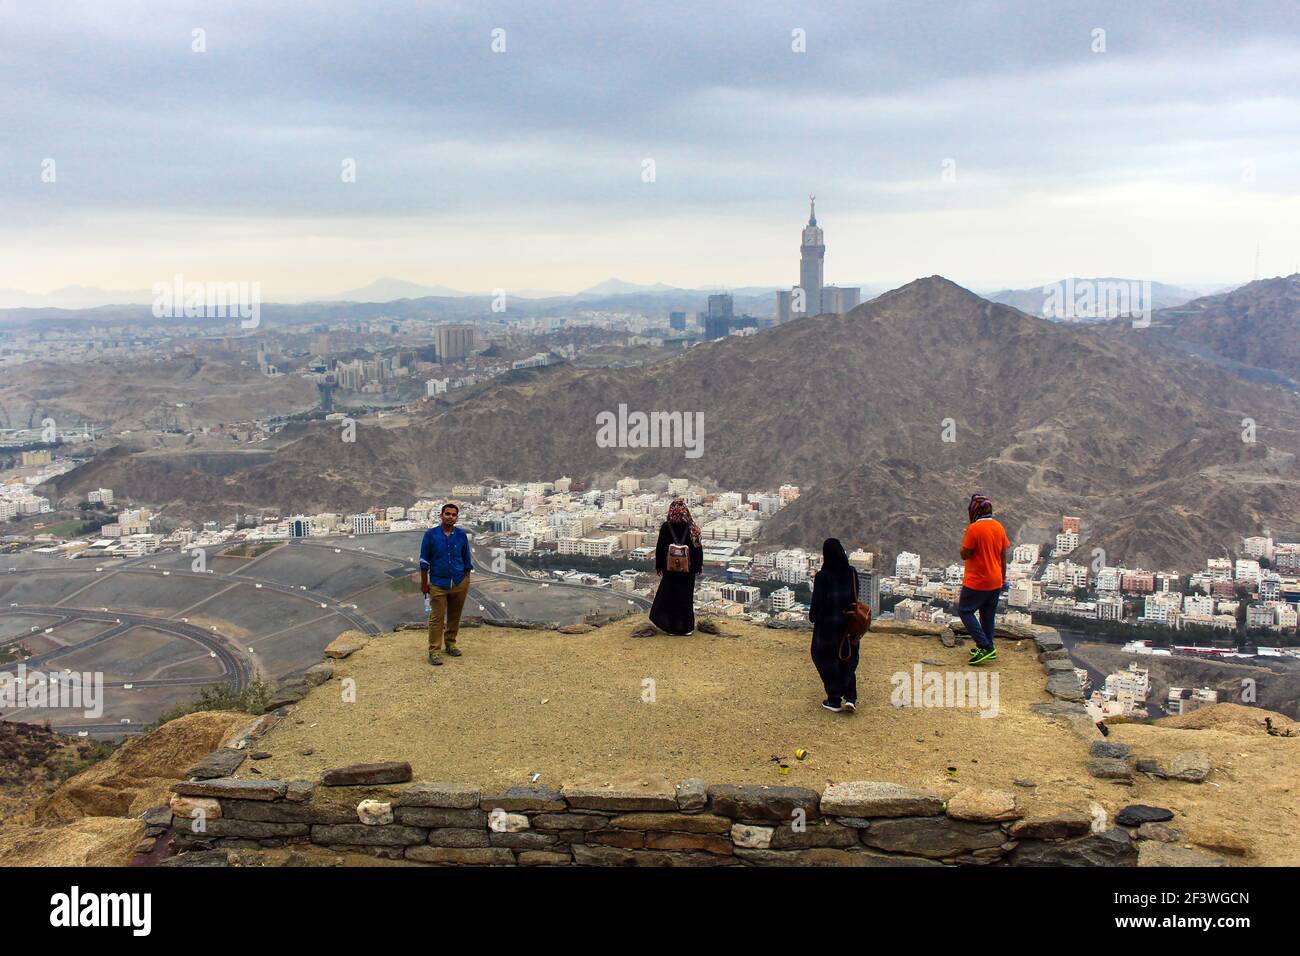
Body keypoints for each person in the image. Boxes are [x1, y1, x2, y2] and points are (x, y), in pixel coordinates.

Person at [809, 538, 861, 713]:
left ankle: (834, 699)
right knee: (846, 658)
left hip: (827, 627)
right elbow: (855, 596)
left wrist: (814, 617)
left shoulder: (823, 576)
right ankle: (851, 697)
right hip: (848, 625)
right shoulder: (852, 572)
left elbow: (817, 602)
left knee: (825, 660)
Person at [958, 493, 1011, 665]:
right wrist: (1002, 580)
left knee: (965, 611)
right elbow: (1003, 557)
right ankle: (989, 647)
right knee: (987, 615)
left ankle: (985, 646)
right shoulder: (999, 527)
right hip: (995, 580)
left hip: (977, 581)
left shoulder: (974, 529)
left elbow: (965, 554)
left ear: (973, 511)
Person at [420, 503, 473, 666]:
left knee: (455, 616)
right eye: (447, 514)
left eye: (454, 515)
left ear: (457, 518)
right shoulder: (431, 535)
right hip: (438, 583)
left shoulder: (461, 535)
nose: (450, 517)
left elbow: (467, 559)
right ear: (441, 515)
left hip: (459, 582)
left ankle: (450, 643)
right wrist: (424, 583)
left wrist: (466, 579)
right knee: (436, 618)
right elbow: (424, 560)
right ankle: (434, 651)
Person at [648, 498, 703, 635]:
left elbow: (660, 548)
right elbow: (697, 548)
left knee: (670, 598)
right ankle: (687, 628)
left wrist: (659, 566)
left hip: (670, 569)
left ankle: (671, 628)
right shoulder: (692, 527)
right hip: (687, 570)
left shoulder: (666, 527)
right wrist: (697, 567)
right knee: (685, 598)